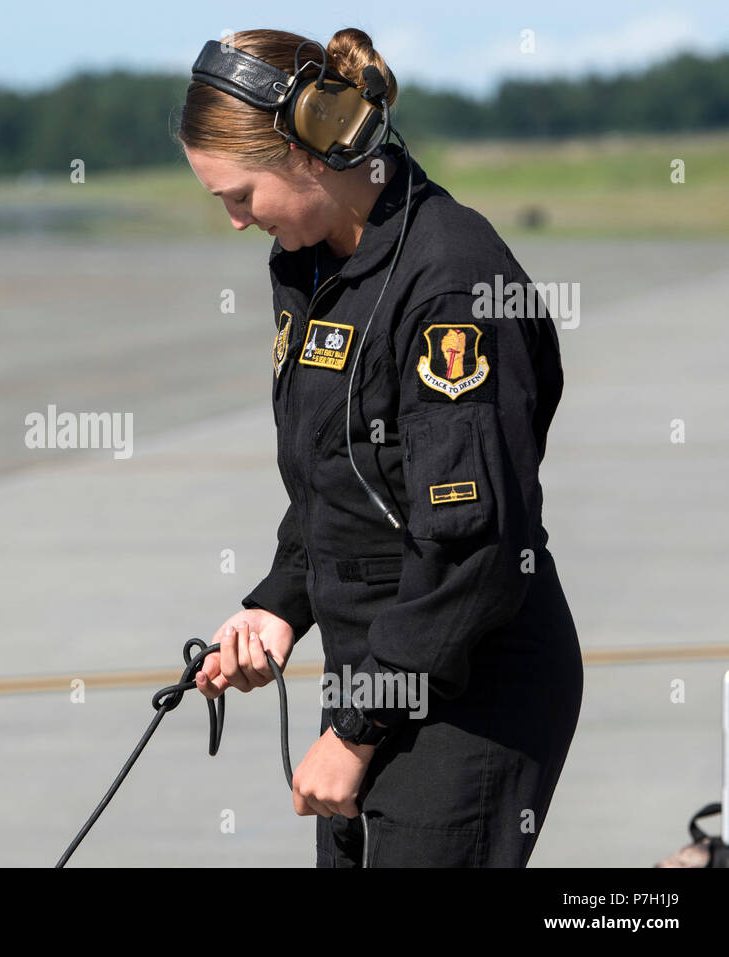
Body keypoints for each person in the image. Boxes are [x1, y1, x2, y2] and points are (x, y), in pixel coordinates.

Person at [176, 27, 584, 867]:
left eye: (241, 192)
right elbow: (339, 481)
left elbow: (471, 546)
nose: (235, 220)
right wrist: (279, 606)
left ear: (311, 150)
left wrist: (358, 730)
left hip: (470, 685)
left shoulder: (452, 283)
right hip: (375, 674)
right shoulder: (312, 267)